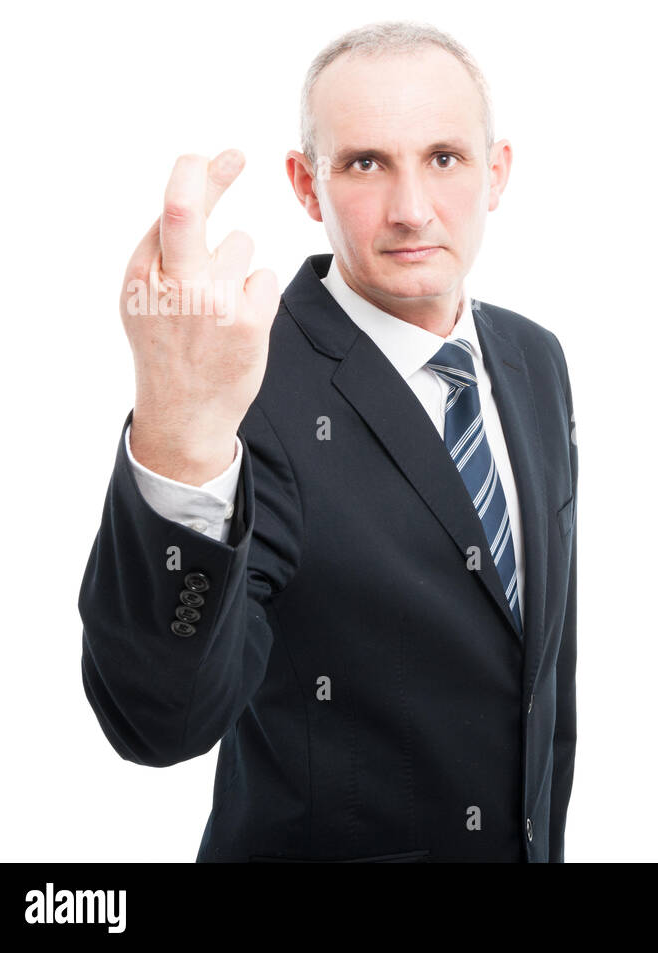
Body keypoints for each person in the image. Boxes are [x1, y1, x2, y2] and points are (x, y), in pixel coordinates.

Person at [78, 20, 578, 863]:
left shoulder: (535, 359)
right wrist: (179, 432)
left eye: (445, 158)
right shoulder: (251, 383)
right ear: (306, 186)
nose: (412, 208)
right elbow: (156, 718)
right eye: (364, 163)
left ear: (496, 175)